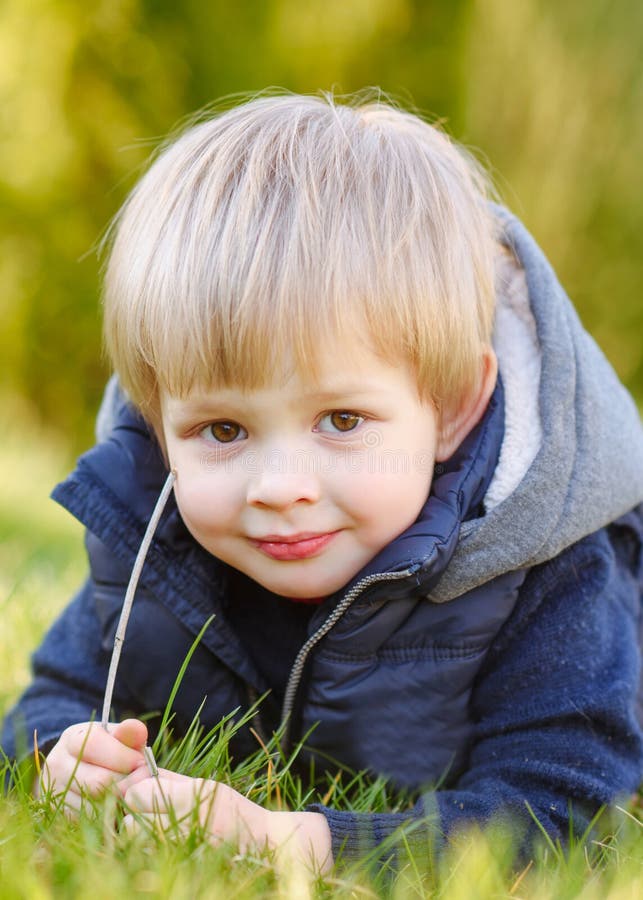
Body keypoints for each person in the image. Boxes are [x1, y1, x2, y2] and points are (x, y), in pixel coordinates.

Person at [2, 93, 642, 872]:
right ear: (159, 424)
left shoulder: (548, 567)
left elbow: (560, 811)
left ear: (450, 409)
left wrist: (293, 841)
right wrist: (64, 761)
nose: (278, 487)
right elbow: (52, 704)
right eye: (222, 430)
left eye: (341, 420)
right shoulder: (151, 540)